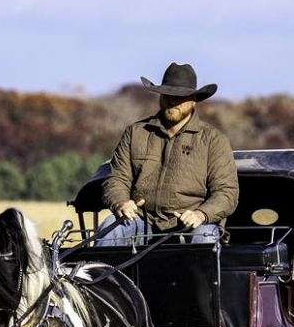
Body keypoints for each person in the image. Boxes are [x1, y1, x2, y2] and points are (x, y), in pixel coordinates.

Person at [98, 62, 238, 245]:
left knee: (205, 236)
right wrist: (121, 202)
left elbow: (227, 192)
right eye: (168, 95)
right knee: (111, 227)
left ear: (194, 99)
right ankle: (103, 274)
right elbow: (117, 178)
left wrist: (202, 214)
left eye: (180, 97)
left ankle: (201, 274)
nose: (173, 101)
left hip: (189, 225)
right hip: (141, 220)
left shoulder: (213, 140)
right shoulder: (135, 133)